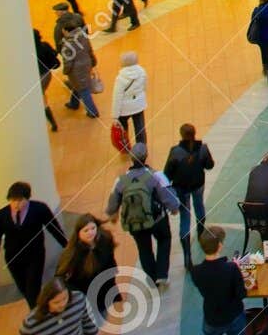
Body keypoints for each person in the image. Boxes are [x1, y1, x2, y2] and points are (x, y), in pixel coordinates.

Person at [107, 142, 180, 289]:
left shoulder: (121, 180)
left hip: (135, 222)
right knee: (164, 240)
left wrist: (113, 216)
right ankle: (162, 274)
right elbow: (168, 197)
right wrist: (174, 208)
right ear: (146, 156)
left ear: (131, 159)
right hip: (158, 219)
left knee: (144, 249)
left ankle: (152, 278)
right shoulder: (156, 176)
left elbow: (112, 205)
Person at [0, 180, 67, 308]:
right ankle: (39, 310)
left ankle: (37, 314)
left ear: (27, 199)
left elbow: (55, 229)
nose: (16, 204)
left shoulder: (39, 209)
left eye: (20, 201)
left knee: (32, 291)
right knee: (24, 290)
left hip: (35, 257)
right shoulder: (1, 216)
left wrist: (68, 247)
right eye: (13, 200)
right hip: (13, 260)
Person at [189, 227, 250, 335]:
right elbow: (241, 294)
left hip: (211, 318)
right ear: (220, 245)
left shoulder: (196, 271)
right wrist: (238, 273)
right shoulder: (231, 268)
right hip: (234, 316)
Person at [163, 124, 214, 270]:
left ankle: (187, 255)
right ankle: (201, 234)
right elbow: (209, 165)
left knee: (185, 219)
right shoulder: (202, 148)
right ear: (194, 133)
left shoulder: (175, 152)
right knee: (200, 207)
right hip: (198, 185)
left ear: (181, 135)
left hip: (181, 189)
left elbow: (167, 174)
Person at [15, 279, 99, 335]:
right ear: (46, 301)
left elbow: (89, 324)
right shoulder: (31, 323)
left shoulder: (79, 300)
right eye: (56, 302)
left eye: (65, 298)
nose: (62, 304)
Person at [55, 215, 120, 323]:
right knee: (93, 322)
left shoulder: (104, 241)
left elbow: (110, 260)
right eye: (86, 230)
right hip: (86, 295)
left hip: (103, 291)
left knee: (103, 317)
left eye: (93, 228)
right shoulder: (73, 254)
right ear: (78, 233)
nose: (90, 232)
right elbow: (60, 276)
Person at [55, 5, 98, 118]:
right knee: (78, 85)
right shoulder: (83, 37)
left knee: (83, 90)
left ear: (66, 31)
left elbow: (68, 62)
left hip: (76, 69)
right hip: (86, 64)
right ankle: (74, 103)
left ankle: (93, 111)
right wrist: (93, 61)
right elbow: (90, 50)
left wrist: (65, 71)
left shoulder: (67, 45)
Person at [109, 50, 149, 146]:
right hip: (138, 105)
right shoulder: (142, 72)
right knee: (140, 128)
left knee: (123, 129)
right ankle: (142, 147)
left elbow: (117, 98)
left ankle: (125, 147)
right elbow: (145, 87)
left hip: (124, 109)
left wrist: (115, 116)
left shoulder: (120, 78)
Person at [33, 28, 60, 133]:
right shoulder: (44, 45)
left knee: (42, 99)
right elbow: (54, 54)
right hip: (47, 75)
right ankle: (52, 122)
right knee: (42, 94)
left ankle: (53, 123)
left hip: (38, 77)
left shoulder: (28, 50)